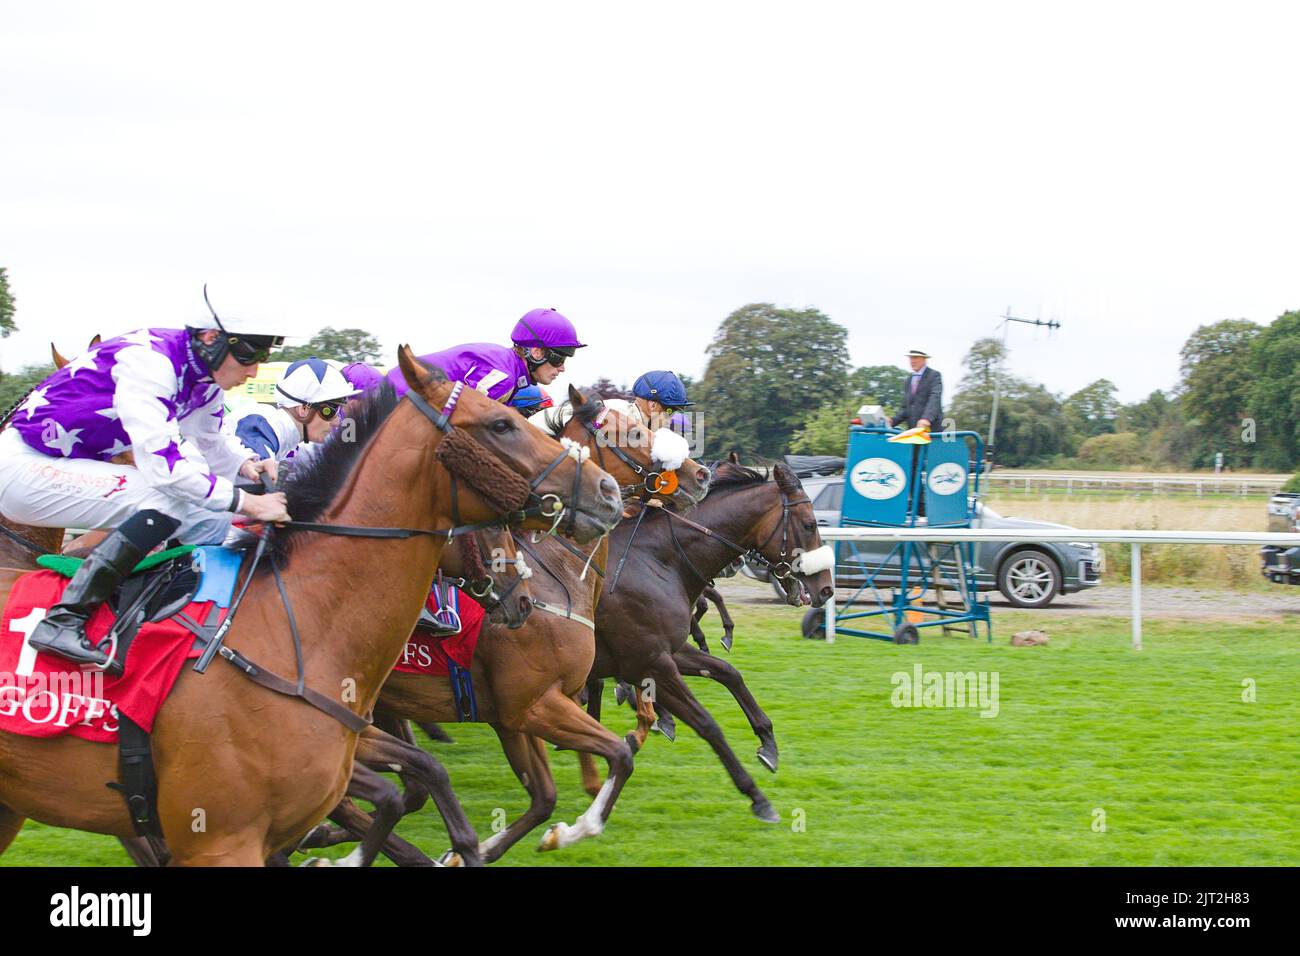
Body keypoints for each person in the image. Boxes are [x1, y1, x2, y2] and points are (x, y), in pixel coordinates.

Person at [0, 296, 291, 673]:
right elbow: (166, 469)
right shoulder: (150, 362)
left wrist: (246, 466)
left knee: (206, 514)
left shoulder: (203, 381)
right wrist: (248, 504)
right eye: (250, 357)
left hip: (56, 465)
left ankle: (165, 621)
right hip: (23, 468)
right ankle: (63, 621)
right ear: (209, 338)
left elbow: (211, 447)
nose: (253, 372)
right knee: (167, 498)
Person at [382, 307, 585, 402]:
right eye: (559, 358)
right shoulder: (503, 378)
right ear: (536, 351)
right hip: (393, 403)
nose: (562, 367)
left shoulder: (506, 364)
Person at [226, 357, 358, 462]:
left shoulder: (290, 437)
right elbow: (256, 483)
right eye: (331, 410)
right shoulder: (263, 423)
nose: (337, 422)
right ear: (304, 408)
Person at [888, 349, 943, 431]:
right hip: (913, 432)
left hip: (931, 430)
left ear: (924, 359)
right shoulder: (908, 380)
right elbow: (906, 408)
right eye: (910, 358)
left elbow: (934, 398)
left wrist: (926, 419)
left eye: (915, 357)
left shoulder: (934, 376)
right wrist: (892, 421)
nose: (912, 361)